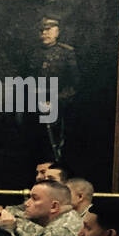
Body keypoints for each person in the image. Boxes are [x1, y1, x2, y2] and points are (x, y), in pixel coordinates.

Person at [24, 17, 78, 163]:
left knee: (55, 149)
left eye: (48, 30)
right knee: (34, 148)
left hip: (58, 106)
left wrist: (56, 101)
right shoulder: (32, 53)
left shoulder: (67, 53)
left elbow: (73, 85)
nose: (44, 33)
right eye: (41, 31)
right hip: (33, 106)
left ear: (57, 32)